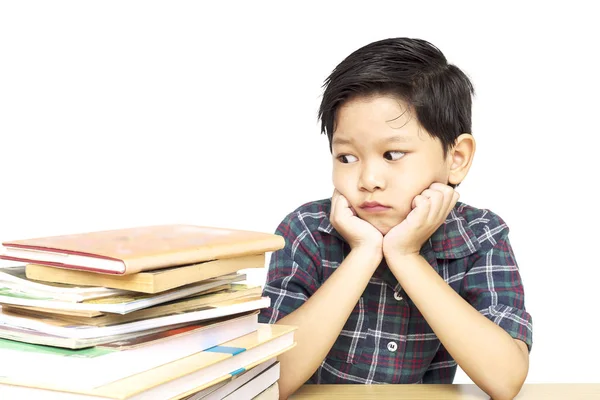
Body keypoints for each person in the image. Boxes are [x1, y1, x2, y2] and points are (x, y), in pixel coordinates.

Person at [258, 37, 532, 400]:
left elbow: (506, 378)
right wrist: (362, 254)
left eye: (392, 154)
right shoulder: (307, 231)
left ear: (457, 158)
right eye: (347, 158)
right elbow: (267, 382)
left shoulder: (480, 236)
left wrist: (406, 256)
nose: (369, 180)